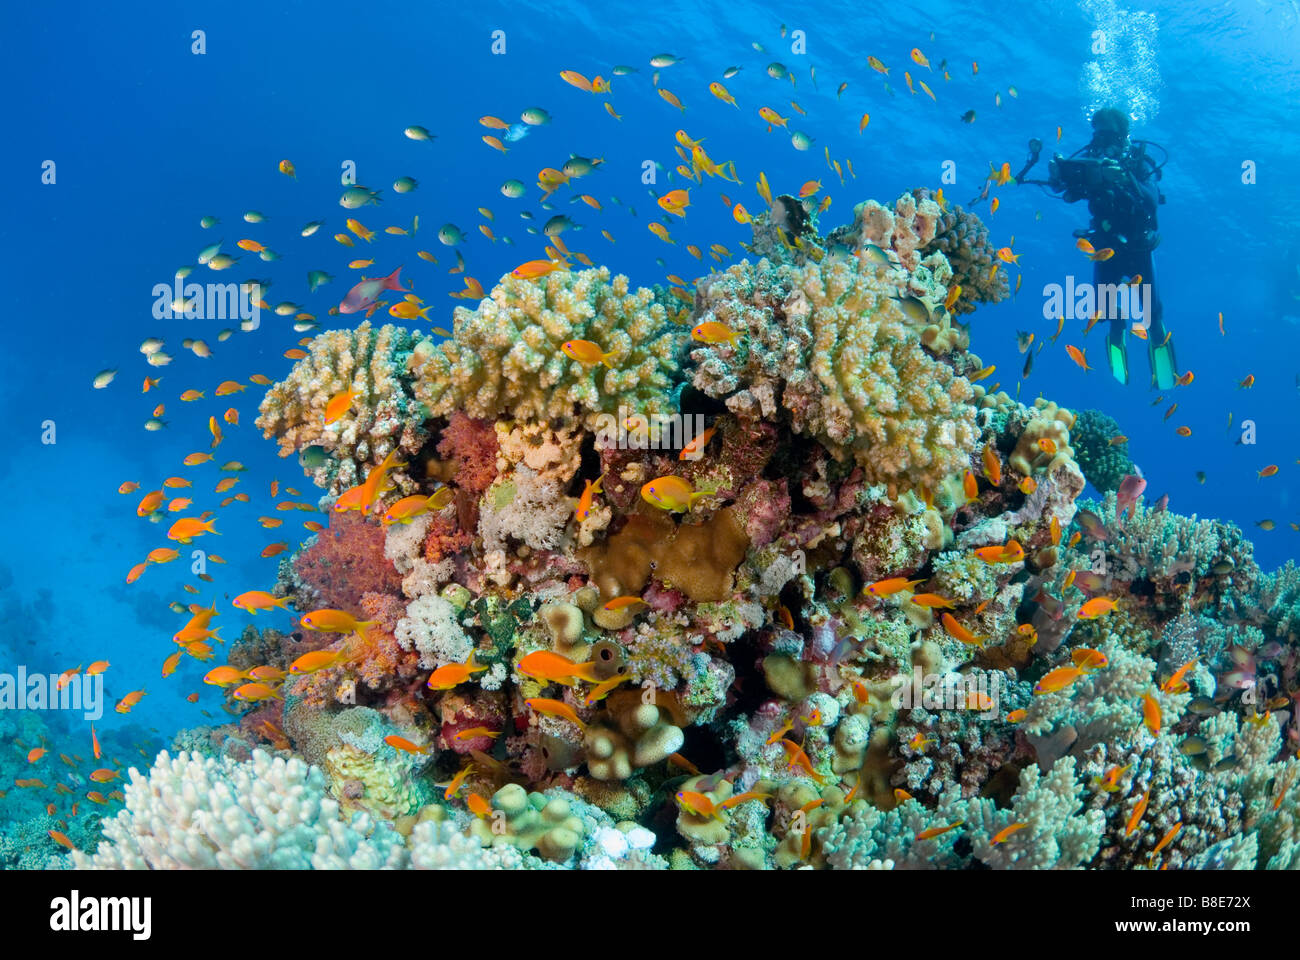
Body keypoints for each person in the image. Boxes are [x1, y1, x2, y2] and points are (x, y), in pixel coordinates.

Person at [1015, 108, 1176, 388]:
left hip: (1138, 248)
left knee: (1152, 315)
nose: (1101, 143)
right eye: (1097, 135)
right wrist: (1059, 175)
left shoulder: (1139, 163)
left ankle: (1164, 372)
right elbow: (1067, 194)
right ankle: (1120, 373)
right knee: (1110, 315)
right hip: (1104, 249)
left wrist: (1125, 179)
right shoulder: (1092, 164)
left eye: (1108, 136)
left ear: (1123, 137)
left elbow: (1150, 202)